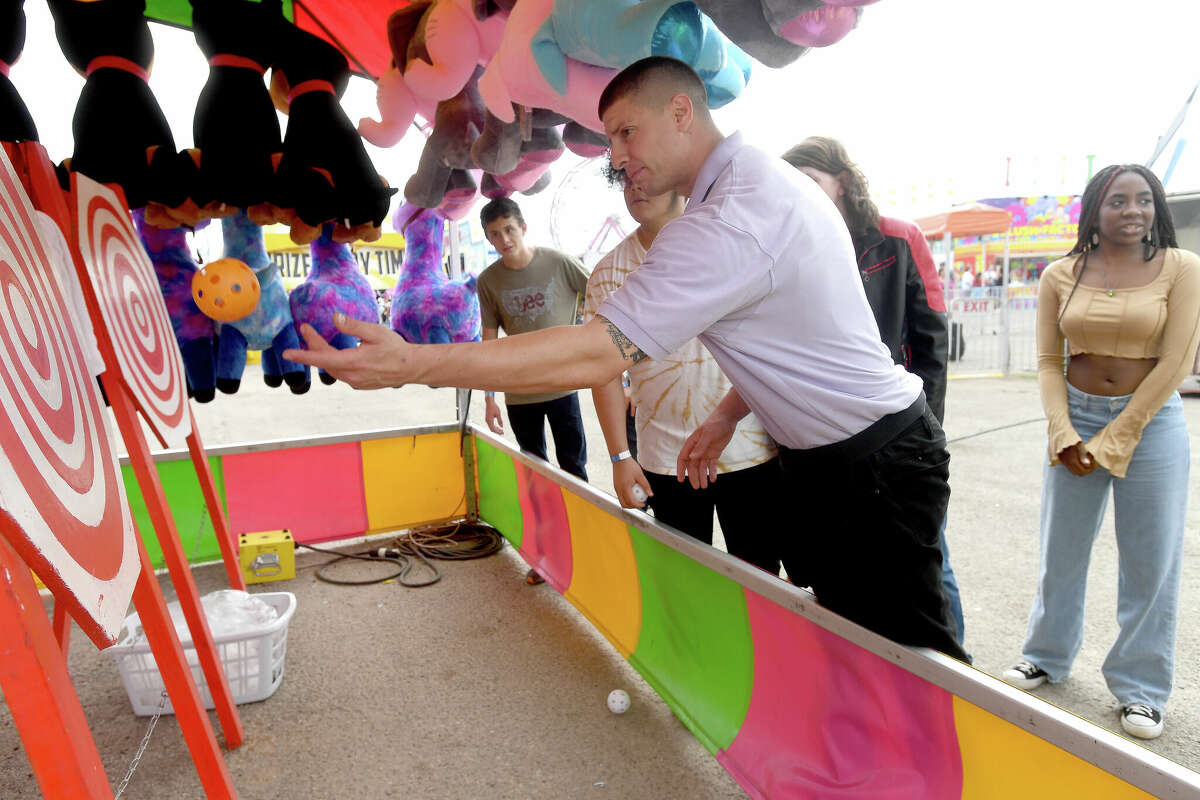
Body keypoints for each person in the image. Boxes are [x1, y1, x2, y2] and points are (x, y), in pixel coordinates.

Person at [283, 56, 968, 662]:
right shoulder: (754, 187)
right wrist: (729, 414)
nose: (615, 156)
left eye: (625, 133)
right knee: (860, 655)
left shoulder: (732, 217)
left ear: (681, 111)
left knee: (919, 673)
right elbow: (790, 333)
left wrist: (416, 364)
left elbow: (590, 355)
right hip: (832, 458)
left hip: (872, 466)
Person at [1000, 164, 1200, 741]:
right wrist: (1062, 431)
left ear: (1156, 207)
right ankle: (1046, 655)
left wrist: (1119, 436)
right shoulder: (1060, 274)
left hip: (1152, 425)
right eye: (1117, 200)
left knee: (1150, 561)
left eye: (1142, 200)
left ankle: (1141, 690)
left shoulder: (1182, 268)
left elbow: (1178, 363)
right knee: (1060, 549)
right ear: (1095, 208)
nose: (1131, 210)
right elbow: (1047, 362)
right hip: (1077, 417)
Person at [781, 136, 964, 643]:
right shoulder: (796, 246)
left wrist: (926, 433)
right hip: (837, 439)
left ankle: (954, 679)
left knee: (928, 561)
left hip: (902, 432)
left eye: (811, 180)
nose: (802, 193)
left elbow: (931, 338)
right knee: (854, 569)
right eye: (791, 184)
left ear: (843, 180)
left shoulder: (897, 238)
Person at [584, 170, 781, 575]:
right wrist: (621, 456)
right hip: (665, 458)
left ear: (678, 178)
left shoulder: (728, 245)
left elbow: (772, 343)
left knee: (761, 581)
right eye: (625, 179)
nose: (635, 187)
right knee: (682, 582)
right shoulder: (607, 274)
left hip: (747, 449)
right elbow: (600, 372)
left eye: (644, 174)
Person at [476, 197, 591, 584]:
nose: (503, 238)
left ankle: (584, 553)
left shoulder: (559, 262)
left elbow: (602, 296)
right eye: (494, 234)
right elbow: (489, 344)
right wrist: (489, 399)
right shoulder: (488, 281)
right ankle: (546, 557)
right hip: (519, 395)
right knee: (535, 477)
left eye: (508, 229)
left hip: (563, 389)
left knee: (574, 472)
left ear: (523, 227)